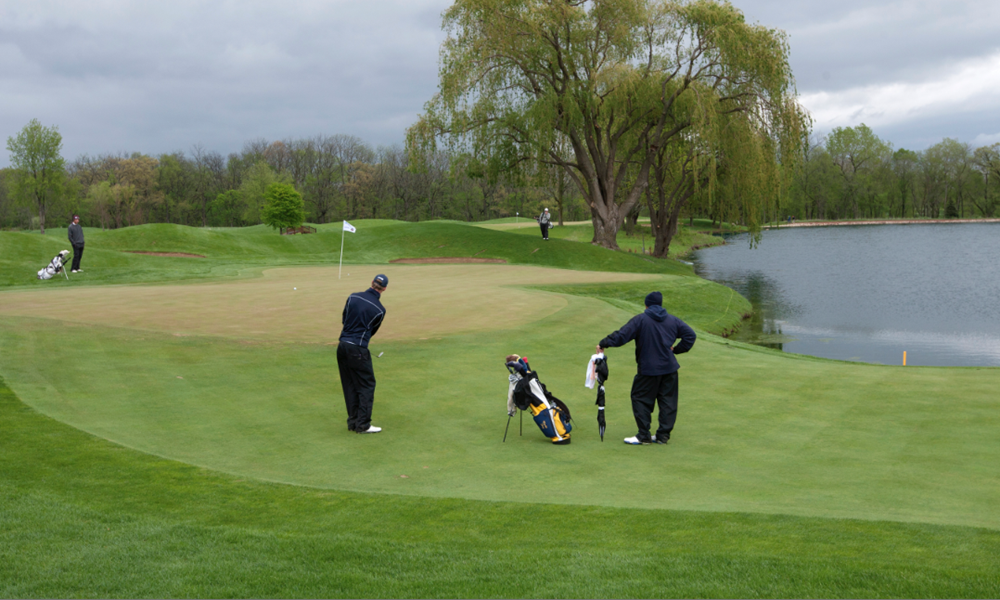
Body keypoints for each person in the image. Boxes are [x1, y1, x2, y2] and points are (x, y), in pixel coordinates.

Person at [597, 291, 696, 445]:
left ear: (646, 304)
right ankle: (663, 436)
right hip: (670, 368)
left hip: (649, 369)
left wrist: (604, 343)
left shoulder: (641, 320)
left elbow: (622, 335)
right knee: (668, 401)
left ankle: (644, 435)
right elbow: (690, 335)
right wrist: (675, 350)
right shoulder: (672, 320)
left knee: (640, 398)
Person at [337, 274, 388, 434]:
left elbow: (345, 319)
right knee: (366, 385)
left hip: (342, 346)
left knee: (350, 384)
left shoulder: (353, 297)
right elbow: (372, 331)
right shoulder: (380, 310)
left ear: (371, 283)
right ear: (384, 289)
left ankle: (353, 422)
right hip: (358, 349)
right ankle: (363, 424)